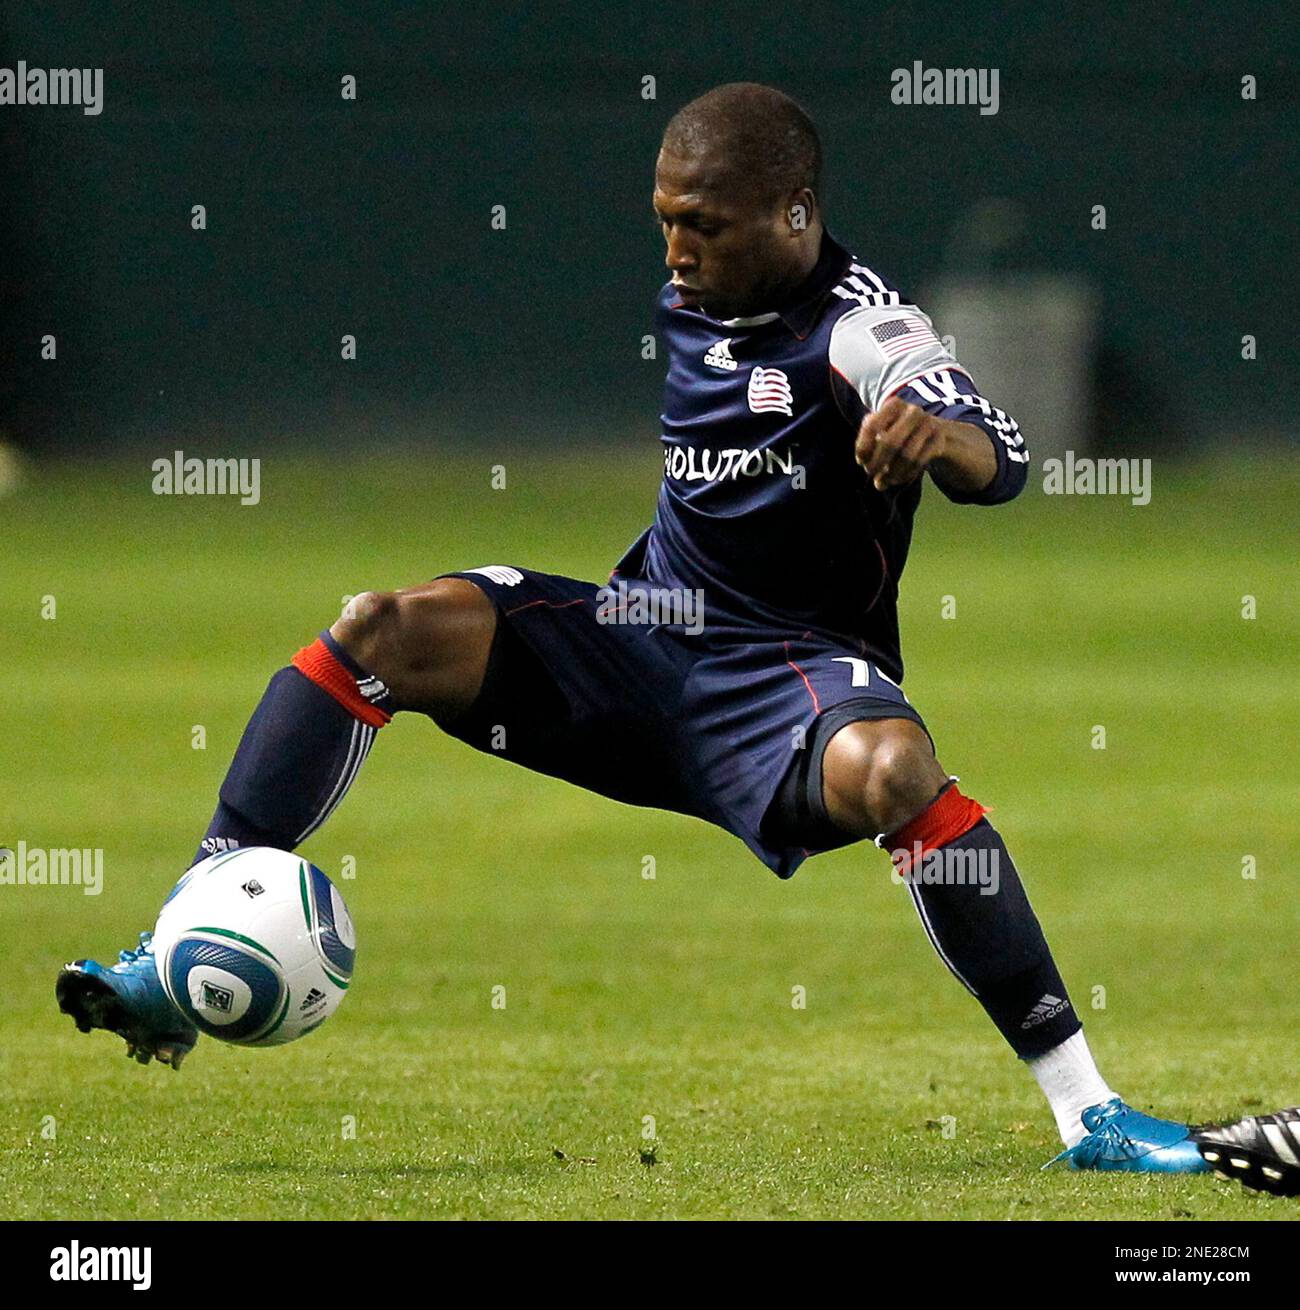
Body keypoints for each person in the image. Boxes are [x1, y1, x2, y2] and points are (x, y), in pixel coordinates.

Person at [58, 82, 1207, 1174]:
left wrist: (934, 435)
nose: (675, 251)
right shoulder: (696, 293)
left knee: (899, 767)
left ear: (795, 215)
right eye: (663, 221)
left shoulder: (863, 330)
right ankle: (176, 943)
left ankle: (1088, 1110)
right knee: (384, 627)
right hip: (640, 638)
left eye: (702, 224)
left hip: (787, 682)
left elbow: (996, 454)